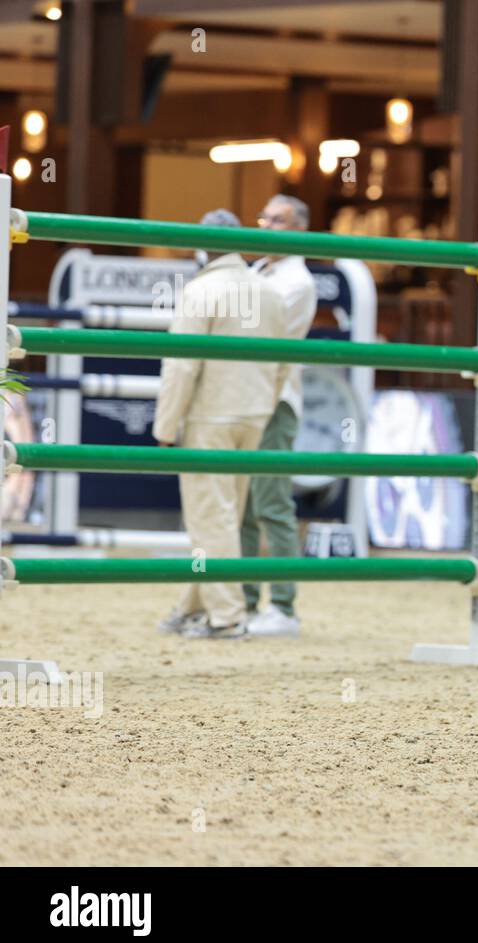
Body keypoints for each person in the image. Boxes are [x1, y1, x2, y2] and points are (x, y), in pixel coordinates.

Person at [154, 209, 288, 639]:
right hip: (253, 414)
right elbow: (285, 362)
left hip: (211, 415)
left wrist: (165, 425)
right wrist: (264, 404)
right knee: (221, 514)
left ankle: (227, 617)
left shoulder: (201, 289)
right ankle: (192, 604)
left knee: (211, 517)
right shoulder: (268, 291)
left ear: (205, 245)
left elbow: (181, 365)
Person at [239, 195, 318, 637]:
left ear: (299, 229)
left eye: (279, 220)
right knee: (246, 506)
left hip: (274, 400)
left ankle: (284, 607)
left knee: (271, 503)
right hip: (246, 398)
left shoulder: (297, 281)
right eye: (264, 217)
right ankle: (248, 601)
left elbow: (257, 331)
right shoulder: (258, 271)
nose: (267, 225)